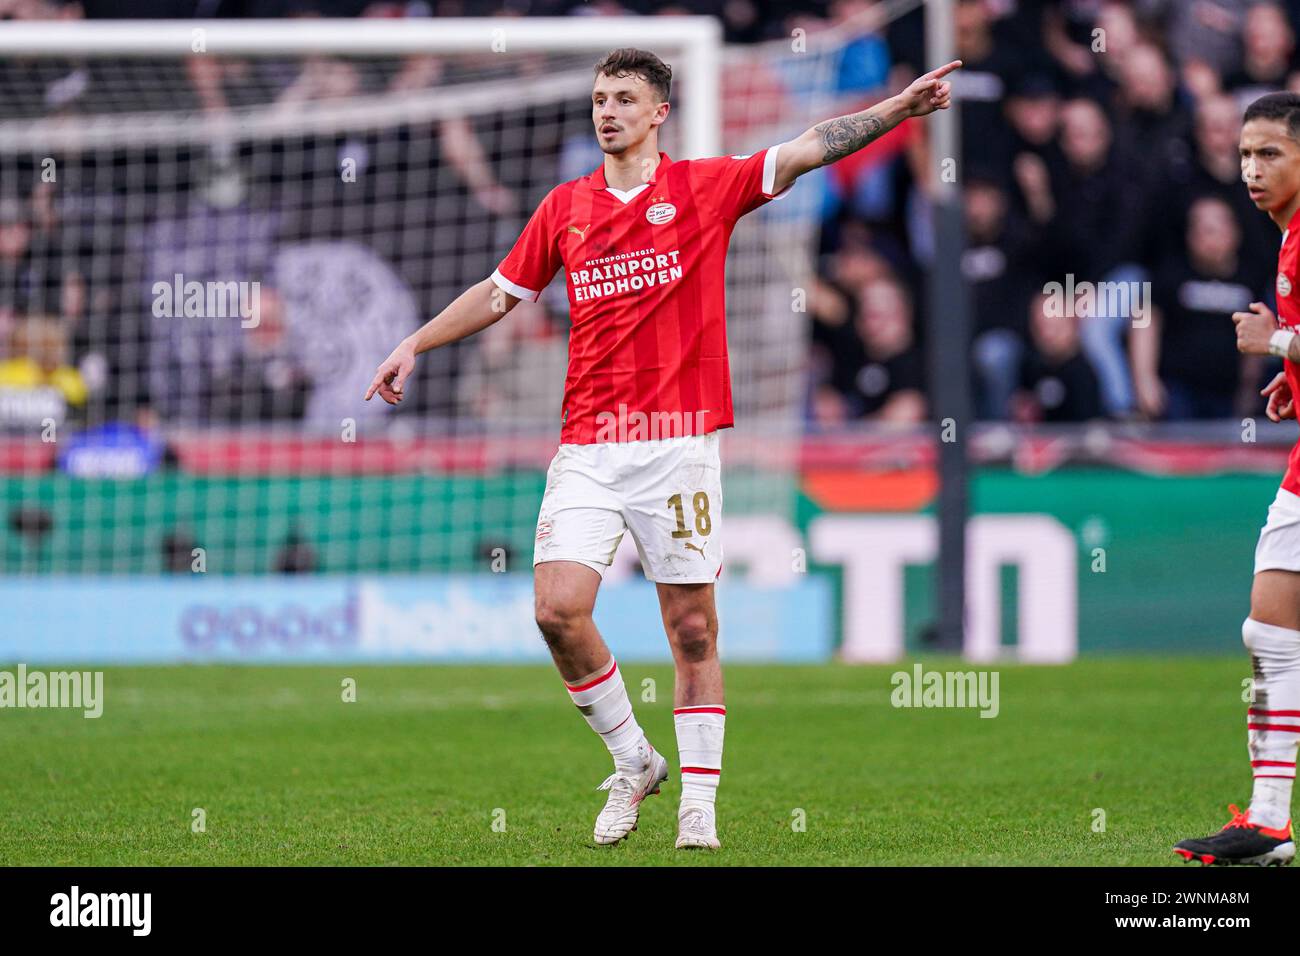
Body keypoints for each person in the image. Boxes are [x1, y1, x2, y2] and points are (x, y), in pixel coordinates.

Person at [365, 47, 959, 850]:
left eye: (623, 99)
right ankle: (635, 759)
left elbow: (813, 144)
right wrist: (416, 343)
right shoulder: (565, 207)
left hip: (678, 446)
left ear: (658, 114)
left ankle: (699, 807)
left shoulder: (704, 189)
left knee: (693, 631)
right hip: (588, 445)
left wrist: (897, 109)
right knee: (557, 610)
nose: (606, 111)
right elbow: (501, 293)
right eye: (600, 97)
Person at [1174, 91, 1300, 866]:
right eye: (1245, 154)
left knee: (1274, 634)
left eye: (1270, 155)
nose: (1251, 169)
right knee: (1270, 631)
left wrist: (1277, 340)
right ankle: (1266, 820)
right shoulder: (1288, 239)